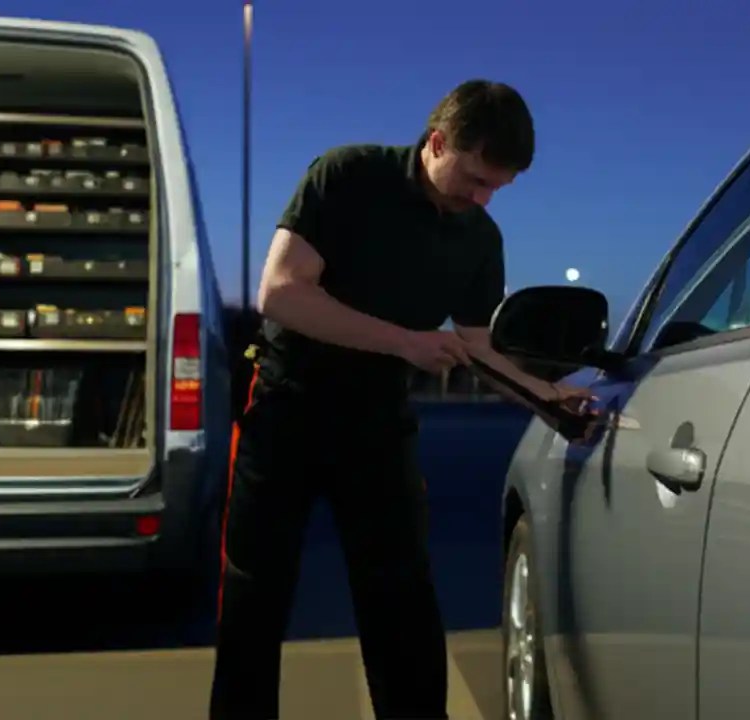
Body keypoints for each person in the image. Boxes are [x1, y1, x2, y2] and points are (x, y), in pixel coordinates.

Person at [209, 79, 593, 720]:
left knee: (402, 598)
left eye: (496, 188)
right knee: (255, 594)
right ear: (437, 142)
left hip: (377, 420)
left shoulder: (479, 237)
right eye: (474, 179)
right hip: (286, 403)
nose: (481, 198)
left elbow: (477, 349)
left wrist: (552, 396)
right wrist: (406, 343)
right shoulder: (346, 176)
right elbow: (280, 292)